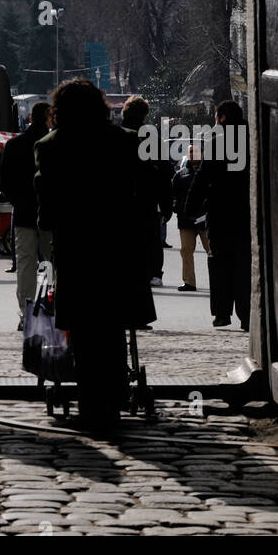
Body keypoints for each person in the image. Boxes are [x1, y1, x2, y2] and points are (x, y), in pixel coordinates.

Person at [35, 79, 155, 432]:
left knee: (85, 328)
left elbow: (47, 205)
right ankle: (115, 395)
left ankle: (90, 402)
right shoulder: (125, 142)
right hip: (118, 246)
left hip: (76, 249)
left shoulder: (50, 146)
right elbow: (142, 197)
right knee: (113, 324)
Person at [0, 100, 50, 330]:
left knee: (26, 266)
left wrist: (18, 200)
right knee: (50, 263)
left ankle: (27, 312)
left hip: (23, 213)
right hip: (50, 213)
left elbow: (5, 183)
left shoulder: (14, 145)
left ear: (30, 118)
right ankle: (49, 308)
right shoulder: (53, 144)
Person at [203, 100, 251, 330]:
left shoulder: (216, 143)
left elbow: (202, 178)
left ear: (221, 118)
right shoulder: (253, 139)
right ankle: (247, 314)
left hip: (220, 216)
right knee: (244, 266)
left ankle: (222, 313)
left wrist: (189, 207)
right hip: (246, 216)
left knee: (220, 266)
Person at [120, 94, 173, 290]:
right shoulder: (152, 139)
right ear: (144, 116)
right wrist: (167, 206)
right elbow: (165, 173)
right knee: (152, 238)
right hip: (147, 199)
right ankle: (154, 273)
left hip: (122, 200)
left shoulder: (115, 135)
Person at [172, 143, 211, 292]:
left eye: (196, 152)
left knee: (212, 251)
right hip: (185, 221)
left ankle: (218, 281)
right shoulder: (180, 174)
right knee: (186, 251)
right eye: (190, 152)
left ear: (202, 154)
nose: (193, 155)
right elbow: (173, 195)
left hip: (205, 220)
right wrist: (177, 210)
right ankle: (189, 282)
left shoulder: (208, 172)